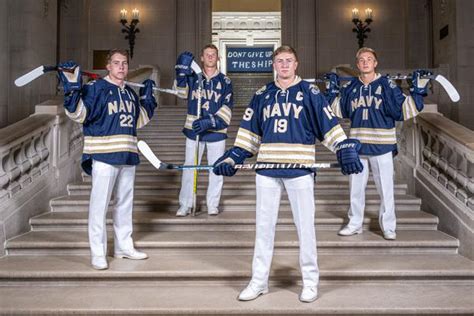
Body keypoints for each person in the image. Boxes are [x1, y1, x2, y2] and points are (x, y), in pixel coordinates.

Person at [213, 45, 363, 303]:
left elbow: (328, 126)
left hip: (300, 170)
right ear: (274, 65)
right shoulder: (262, 95)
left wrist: (343, 147)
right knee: (263, 228)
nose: (284, 65)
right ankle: (259, 282)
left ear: (296, 65)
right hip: (267, 171)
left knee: (305, 228)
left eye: (289, 61)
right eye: (280, 61)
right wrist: (233, 157)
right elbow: (250, 134)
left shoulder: (310, 92)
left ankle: (310, 282)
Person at [58, 49, 157, 270]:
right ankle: (98, 252)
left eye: (124, 63)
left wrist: (148, 100)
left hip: (127, 154)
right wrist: (73, 90)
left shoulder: (131, 93)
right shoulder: (95, 89)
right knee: (99, 205)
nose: (121, 67)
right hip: (103, 155)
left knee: (124, 204)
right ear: (108, 66)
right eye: (116, 63)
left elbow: (137, 122)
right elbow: (79, 114)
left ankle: (123, 246)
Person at [324, 47, 430, 240]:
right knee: (355, 189)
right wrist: (331, 91)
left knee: (386, 189)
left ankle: (388, 226)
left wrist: (418, 91)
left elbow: (403, 110)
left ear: (375, 63)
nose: (365, 62)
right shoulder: (350, 88)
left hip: (382, 147)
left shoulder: (387, 86)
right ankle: (355, 223)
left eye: (369, 59)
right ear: (357, 65)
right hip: (357, 147)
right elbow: (338, 109)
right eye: (362, 60)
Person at [173, 44, 233, 216]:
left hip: (216, 132)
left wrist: (211, 121)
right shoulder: (193, 79)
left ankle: (212, 204)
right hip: (194, 131)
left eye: (213, 54)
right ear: (201, 58)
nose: (210, 57)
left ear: (218, 57)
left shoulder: (225, 81)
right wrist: (181, 74)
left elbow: (227, 107)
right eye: (207, 54)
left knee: (217, 168)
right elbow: (181, 94)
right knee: (189, 167)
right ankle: (185, 204)